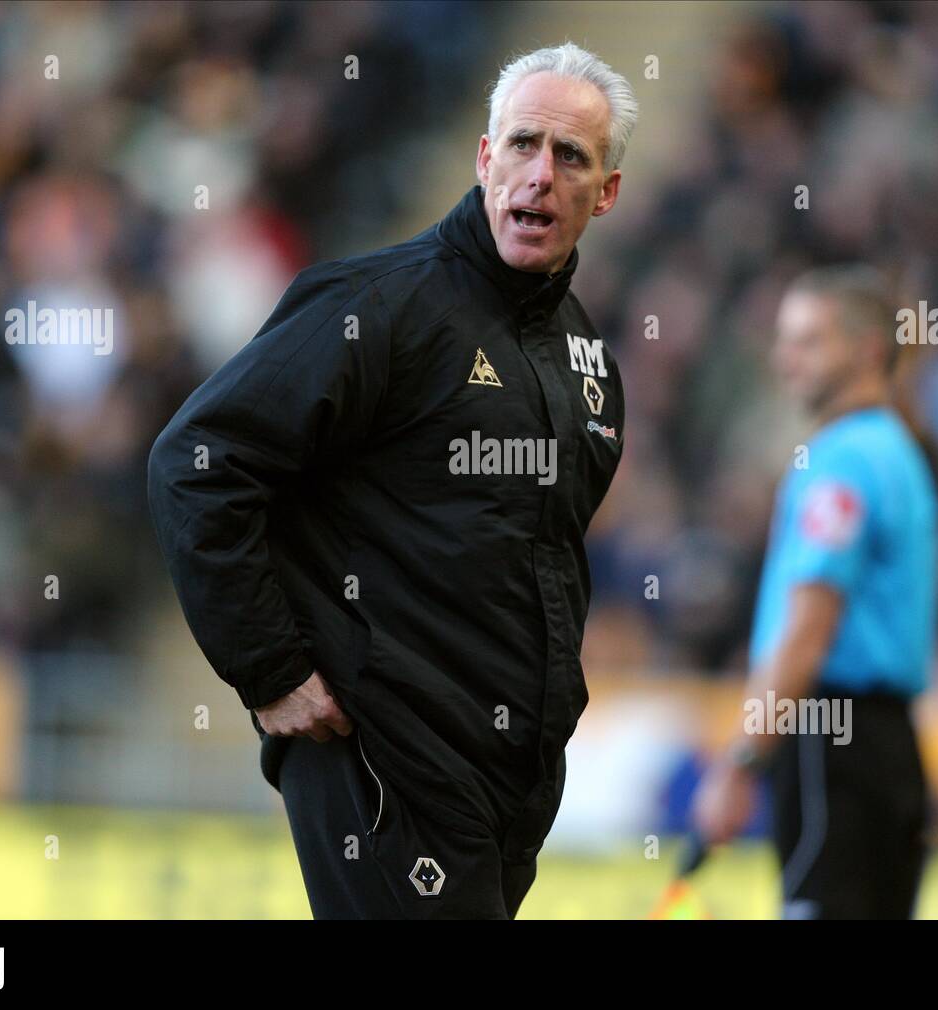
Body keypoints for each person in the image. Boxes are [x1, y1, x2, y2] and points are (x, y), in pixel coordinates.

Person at [147, 42, 637, 919]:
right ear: (485, 159)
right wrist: (270, 669)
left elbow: (544, 556)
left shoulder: (585, 356)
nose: (540, 174)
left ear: (605, 193)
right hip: (384, 756)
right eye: (522, 145)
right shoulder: (376, 306)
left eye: (570, 157)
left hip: (505, 780)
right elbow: (197, 463)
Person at [691, 265, 938, 919]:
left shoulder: (841, 461)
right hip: (891, 745)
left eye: (806, 341)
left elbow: (807, 627)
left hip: (831, 747)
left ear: (864, 350)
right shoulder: (900, 452)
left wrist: (741, 762)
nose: (784, 359)